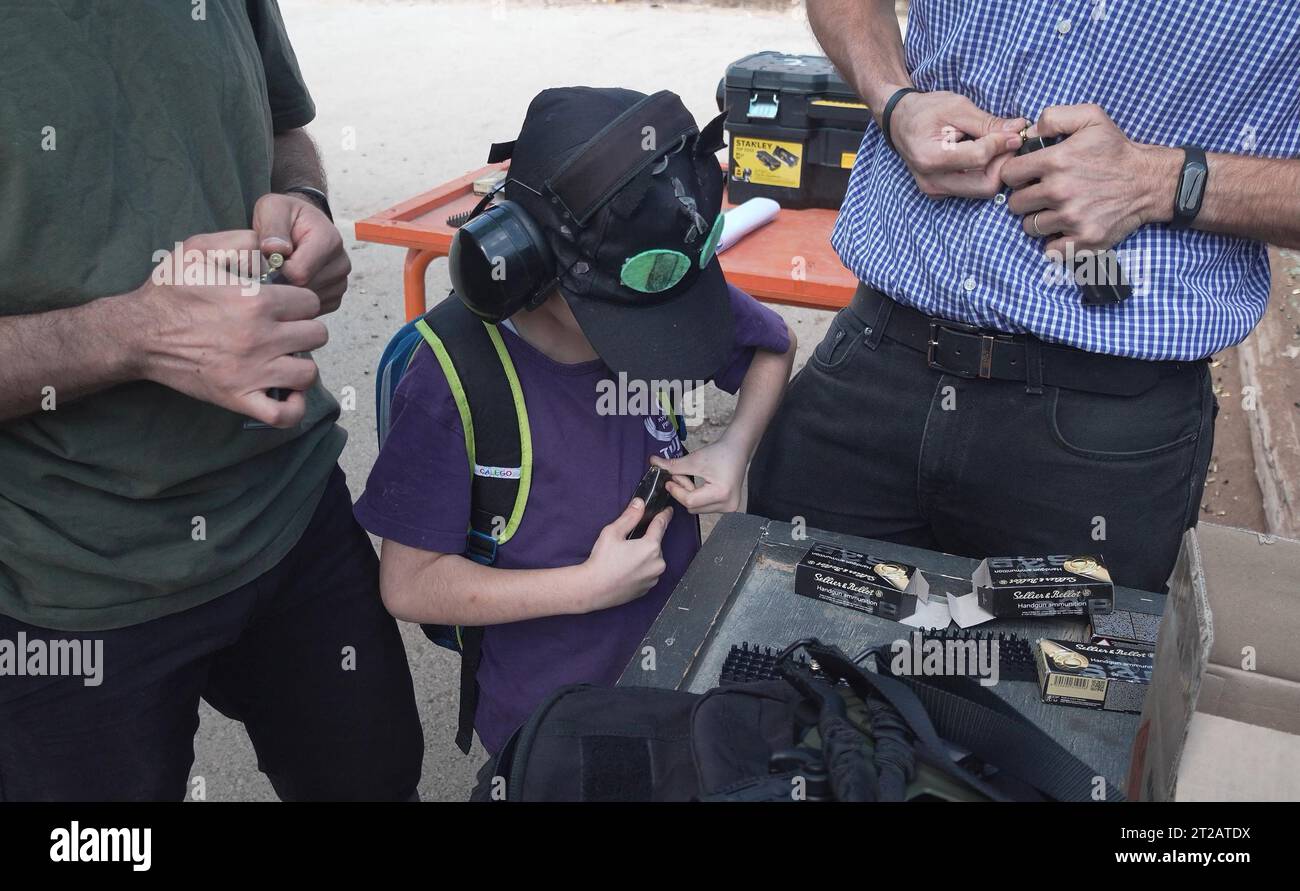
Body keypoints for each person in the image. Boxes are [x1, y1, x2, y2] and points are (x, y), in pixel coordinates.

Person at [0, 1, 422, 801]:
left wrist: (306, 205)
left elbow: (282, 132)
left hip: (290, 504)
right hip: (65, 577)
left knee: (376, 779)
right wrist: (132, 334)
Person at [749, 0, 1300, 593]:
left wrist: (1162, 182)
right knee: (783, 662)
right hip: (871, 365)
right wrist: (894, 100)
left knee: (1053, 680)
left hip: (1102, 432)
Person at [356, 87, 795, 755]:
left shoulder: (659, 283)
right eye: (624, 326)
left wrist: (735, 449)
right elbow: (409, 583)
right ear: (522, 262)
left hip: (677, 684)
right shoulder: (453, 380)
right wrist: (586, 588)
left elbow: (774, 343)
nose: (656, 341)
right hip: (548, 724)